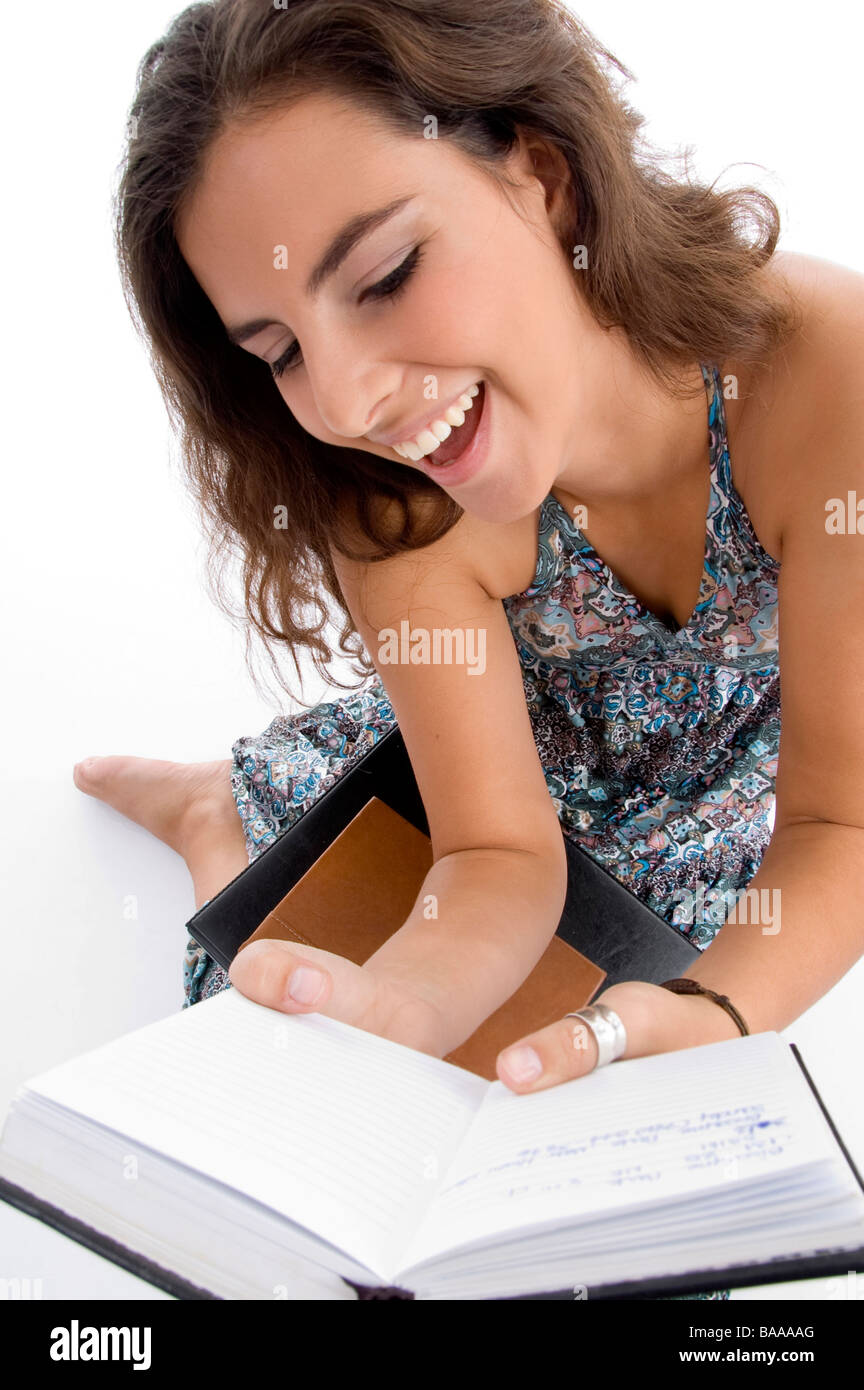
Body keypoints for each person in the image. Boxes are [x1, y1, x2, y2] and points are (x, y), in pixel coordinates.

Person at [74, 0, 864, 1302]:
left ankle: (239, 812)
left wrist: (716, 1017)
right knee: (332, 1075)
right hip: (492, 796)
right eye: (276, 350)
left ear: (539, 172)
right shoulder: (380, 494)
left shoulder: (830, 380)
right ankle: (225, 813)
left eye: (382, 277)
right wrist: (401, 1010)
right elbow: (494, 856)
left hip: (735, 829)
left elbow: (839, 825)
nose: (344, 402)